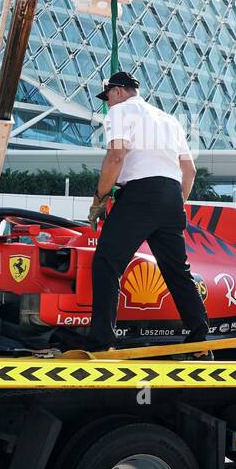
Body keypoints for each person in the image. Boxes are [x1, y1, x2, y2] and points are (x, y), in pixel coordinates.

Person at [85, 70, 208, 352]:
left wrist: (100, 198)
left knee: (107, 262)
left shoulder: (120, 112)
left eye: (108, 98)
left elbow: (116, 156)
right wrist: (177, 203)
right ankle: (199, 335)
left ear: (117, 91)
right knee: (177, 270)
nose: (108, 104)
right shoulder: (169, 120)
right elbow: (189, 170)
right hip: (171, 196)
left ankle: (101, 340)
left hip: (140, 195)